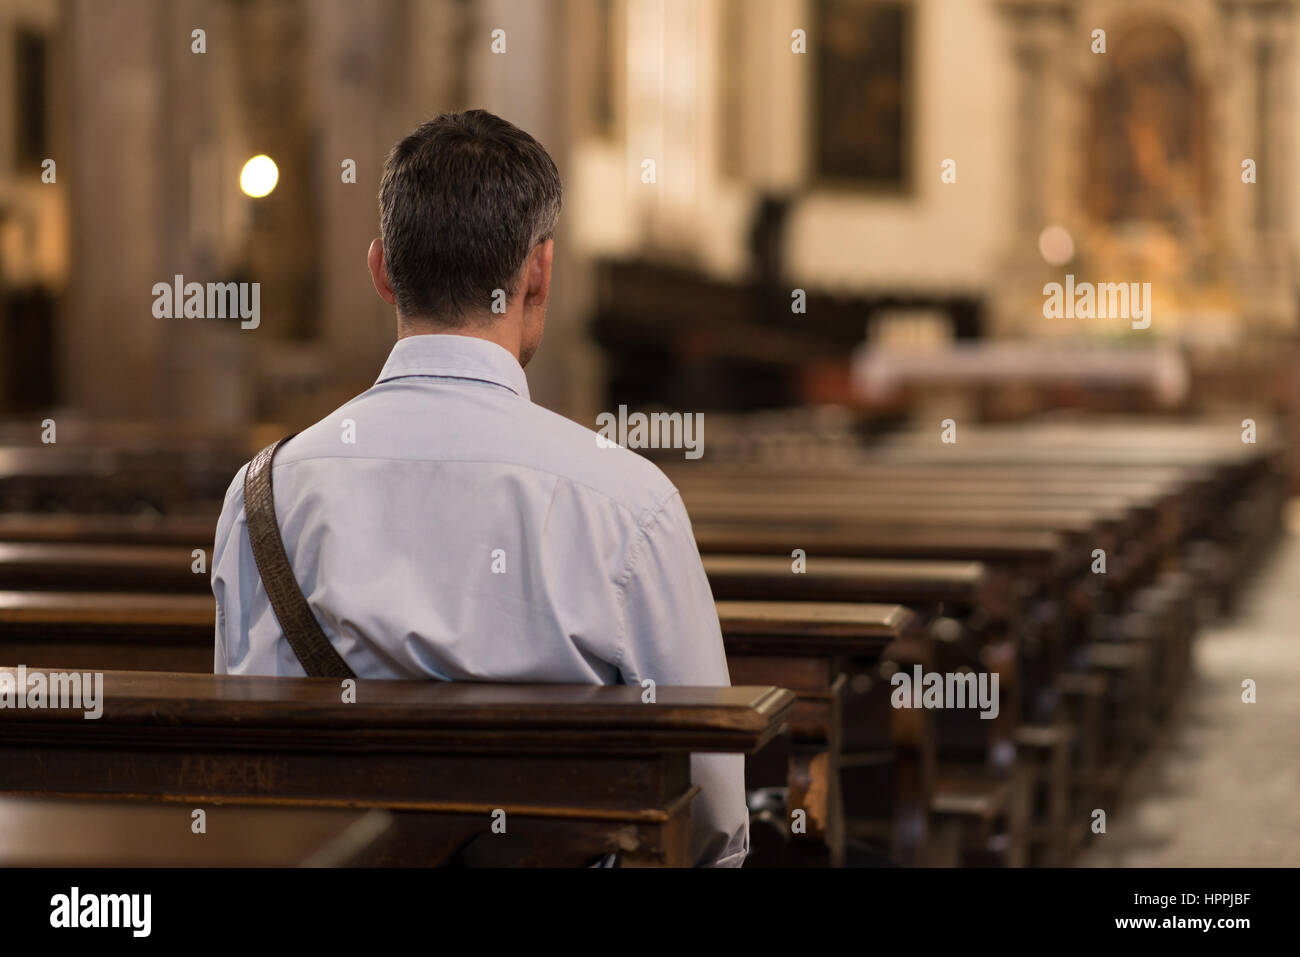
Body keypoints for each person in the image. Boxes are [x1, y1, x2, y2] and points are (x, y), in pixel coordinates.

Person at [211, 109, 746, 867]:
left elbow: (240, 772)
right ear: (539, 274)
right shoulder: (630, 503)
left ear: (382, 270)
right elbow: (713, 813)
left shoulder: (260, 494)